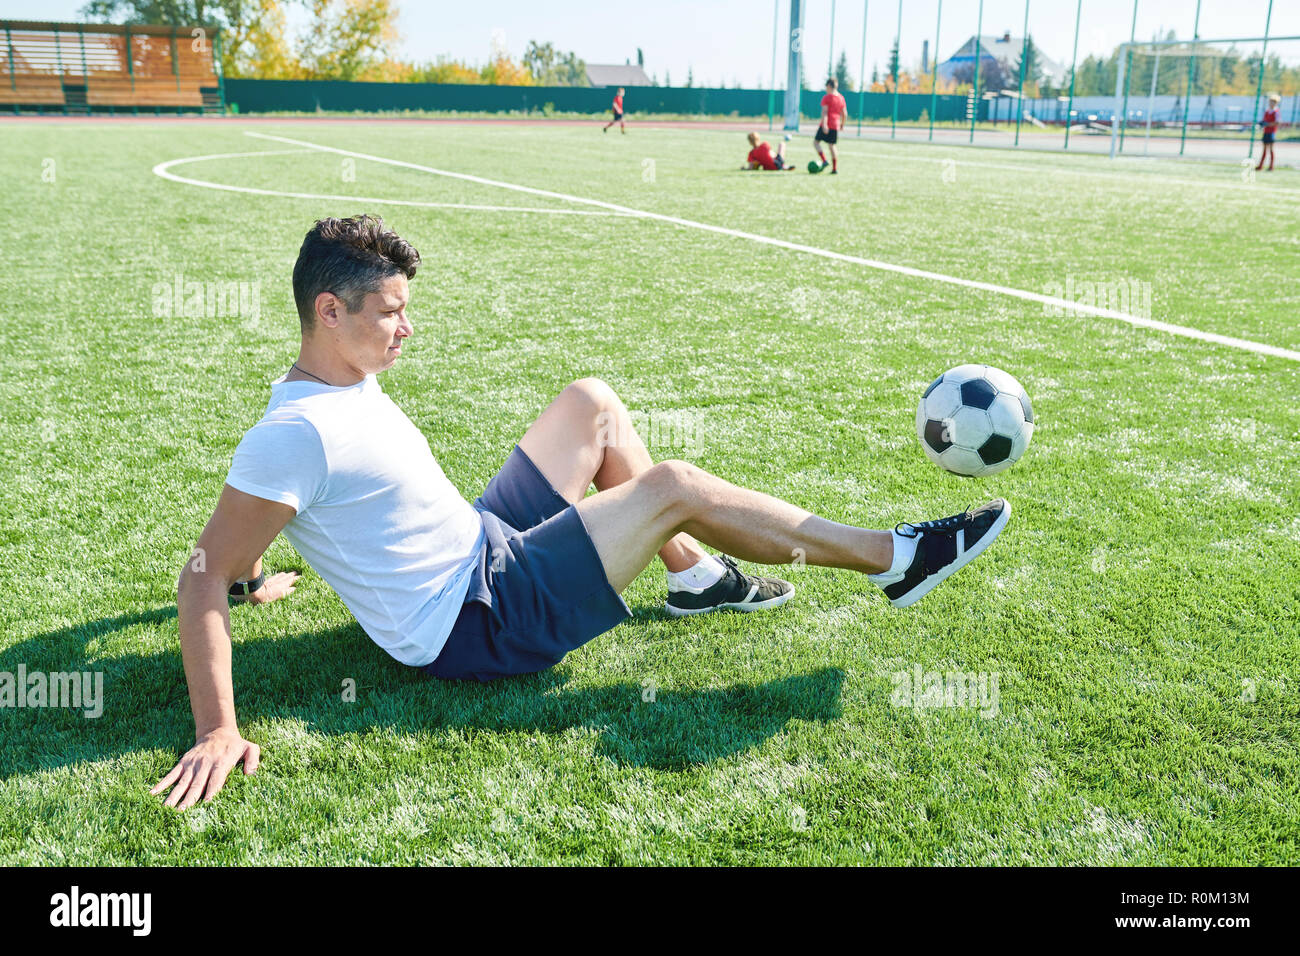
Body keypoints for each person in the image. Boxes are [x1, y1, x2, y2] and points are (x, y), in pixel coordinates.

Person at [152, 214, 1012, 809]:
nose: (407, 328)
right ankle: (896, 559)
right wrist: (218, 727)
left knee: (590, 402)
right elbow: (202, 575)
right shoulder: (293, 432)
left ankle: (698, 581)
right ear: (328, 311)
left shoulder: (340, 376)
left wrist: (256, 576)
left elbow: (261, 528)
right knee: (672, 484)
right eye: (391, 312)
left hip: (482, 539)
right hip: (477, 617)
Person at [813, 78, 848, 174]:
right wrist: (842, 124)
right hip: (835, 125)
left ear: (829, 86)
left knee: (816, 143)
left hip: (827, 124)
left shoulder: (827, 97)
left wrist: (824, 125)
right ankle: (834, 168)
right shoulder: (841, 98)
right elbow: (845, 113)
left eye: (826, 87)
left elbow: (824, 112)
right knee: (832, 146)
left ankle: (824, 160)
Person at [1257, 93, 1281, 172]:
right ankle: (1260, 166)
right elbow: (1264, 120)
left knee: (1271, 150)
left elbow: (1277, 122)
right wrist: (1262, 123)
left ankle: (1271, 166)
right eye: (1270, 102)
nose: (1271, 103)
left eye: (1273, 102)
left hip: (1271, 133)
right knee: (1264, 150)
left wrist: (1268, 124)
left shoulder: (1276, 111)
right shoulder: (1267, 111)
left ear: (1276, 103)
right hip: (1266, 132)